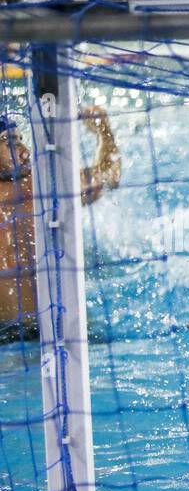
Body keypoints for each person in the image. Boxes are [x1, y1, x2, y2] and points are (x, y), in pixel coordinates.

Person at [1, 108, 121, 341]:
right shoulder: (38, 186)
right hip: (42, 330)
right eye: (11, 143)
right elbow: (108, 176)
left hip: (52, 326)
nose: (25, 152)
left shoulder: (37, 185)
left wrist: (104, 133)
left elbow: (107, 179)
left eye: (22, 142)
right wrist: (103, 131)